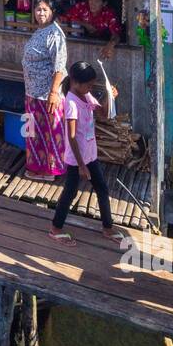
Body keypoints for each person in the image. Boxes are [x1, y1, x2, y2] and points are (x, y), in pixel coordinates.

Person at [49, 61, 124, 247]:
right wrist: (81, 165)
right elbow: (72, 137)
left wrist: (110, 97)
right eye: (88, 85)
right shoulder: (72, 103)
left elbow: (103, 113)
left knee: (102, 189)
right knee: (70, 192)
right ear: (75, 82)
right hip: (77, 159)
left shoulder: (85, 95)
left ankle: (107, 228)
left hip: (90, 154)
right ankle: (55, 229)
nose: (91, 88)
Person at [21, 0, 68, 180]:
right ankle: (34, 167)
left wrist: (54, 93)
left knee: (50, 134)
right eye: (38, 9)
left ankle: (50, 171)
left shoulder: (55, 34)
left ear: (52, 12)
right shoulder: (41, 30)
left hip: (47, 95)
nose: (41, 13)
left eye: (45, 10)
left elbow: (59, 67)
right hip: (31, 93)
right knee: (31, 131)